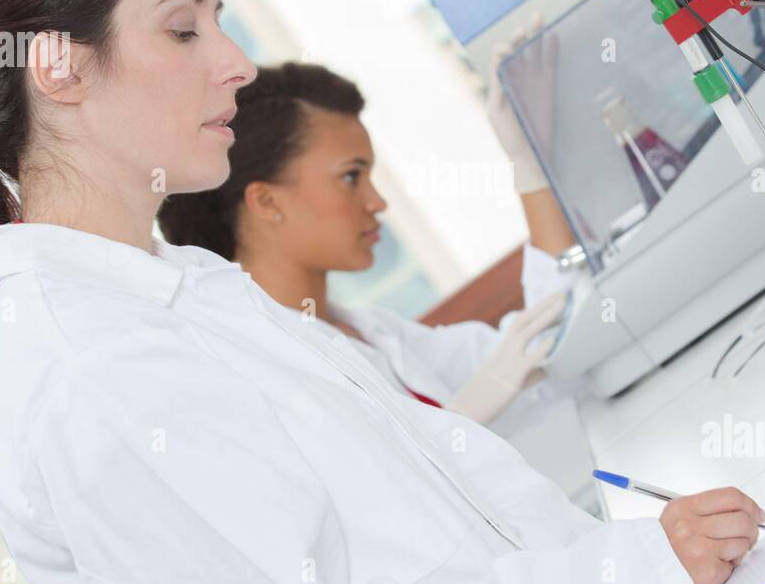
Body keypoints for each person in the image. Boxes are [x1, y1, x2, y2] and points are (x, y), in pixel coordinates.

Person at [0, 0, 765, 584]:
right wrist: (635, 576)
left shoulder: (183, 287)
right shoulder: (97, 375)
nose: (234, 62)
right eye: (184, 28)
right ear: (60, 68)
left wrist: (632, 566)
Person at [155, 61, 571, 426]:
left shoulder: (372, 331)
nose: (378, 202)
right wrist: (459, 421)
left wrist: (529, 164)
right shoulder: (265, 370)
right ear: (267, 201)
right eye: (351, 177)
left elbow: (542, 348)